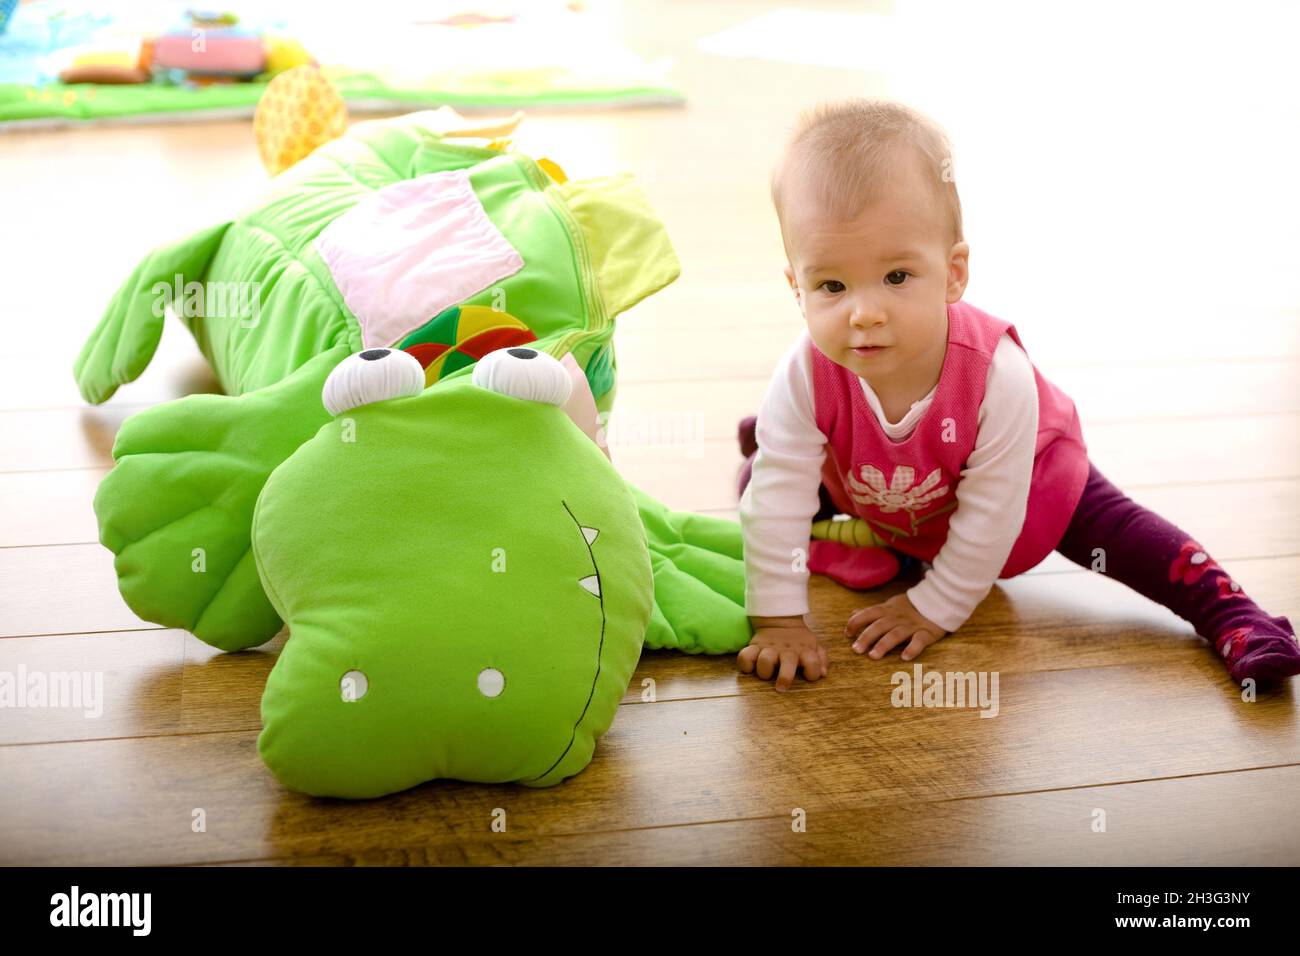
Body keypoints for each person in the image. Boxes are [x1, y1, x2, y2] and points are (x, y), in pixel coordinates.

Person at [736, 97, 1300, 692]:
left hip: (1027, 485)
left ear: (953, 273)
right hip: (894, 492)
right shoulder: (805, 372)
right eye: (832, 285)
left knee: (1122, 535)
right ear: (796, 287)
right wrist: (778, 621)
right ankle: (807, 460)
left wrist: (937, 603)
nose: (865, 313)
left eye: (897, 277)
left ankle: (1235, 616)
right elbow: (775, 508)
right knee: (767, 486)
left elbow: (992, 515)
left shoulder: (995, 377)